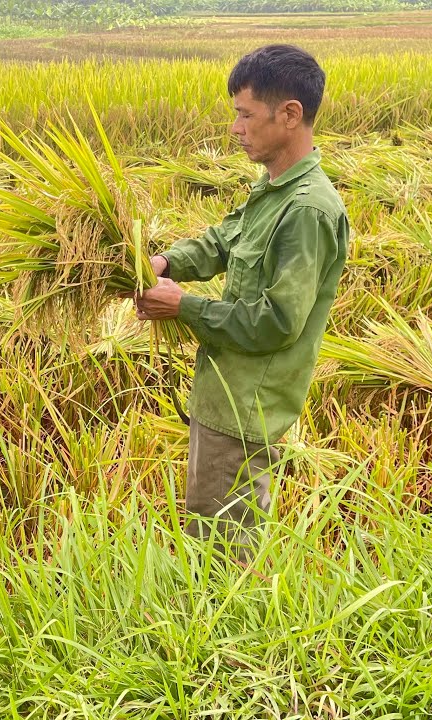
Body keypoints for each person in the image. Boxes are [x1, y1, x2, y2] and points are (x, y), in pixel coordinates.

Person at [133, 44, 350, 556]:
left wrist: (183, 307)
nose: (235, 128)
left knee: (221, 553)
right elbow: (222, 241)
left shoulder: (307, 211)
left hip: (246, 408)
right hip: (224, 393)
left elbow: (277, 322)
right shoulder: (272, 189)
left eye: (245, 115)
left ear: (289, 114)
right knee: (213, 534)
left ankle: (220, 635)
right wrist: (162, 264)